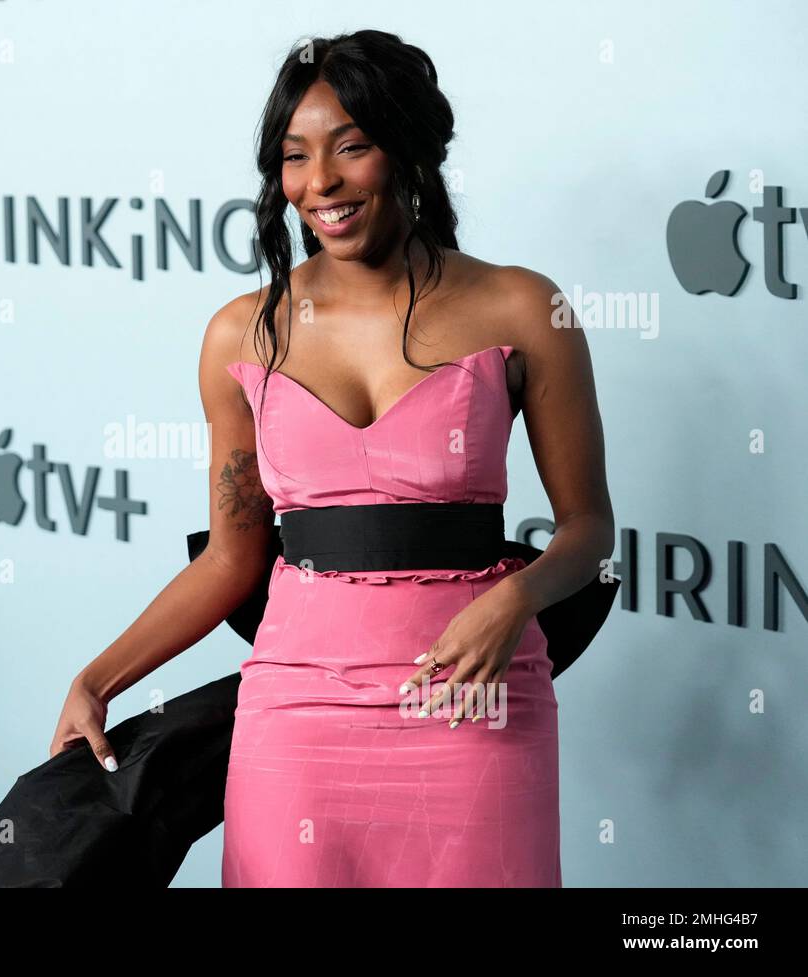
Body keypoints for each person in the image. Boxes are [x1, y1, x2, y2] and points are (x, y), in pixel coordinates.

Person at [49, 29, 613, 887]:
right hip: (298, 720)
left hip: (476, 709)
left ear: (408, 151)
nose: (322, 183)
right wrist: (98, 677)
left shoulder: (524, 307)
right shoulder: (242, 334)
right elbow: (235, 558)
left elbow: (587, 529)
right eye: (295, 157)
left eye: (352, 147)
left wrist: (515, 599)